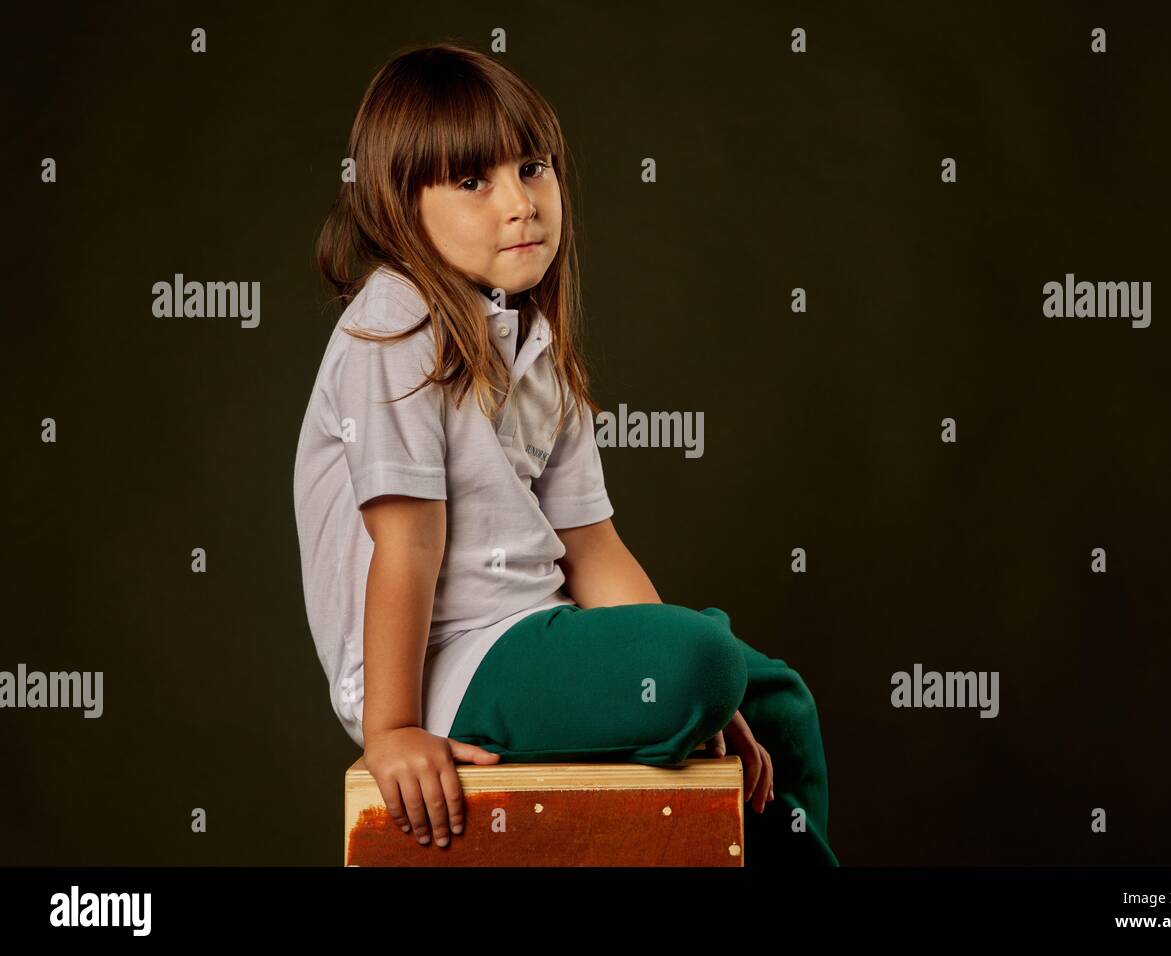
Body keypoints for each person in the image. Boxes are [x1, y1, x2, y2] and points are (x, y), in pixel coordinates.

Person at [292, 43, 838, 866]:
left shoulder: (539, 347)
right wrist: (392, 729)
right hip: (452, 671)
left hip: (542, 633)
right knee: (706, 661)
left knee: (778, 703)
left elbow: (593, 548)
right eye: (474, 181)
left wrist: (694, 685)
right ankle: (696, 665)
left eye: (533, 169)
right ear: (401, 203)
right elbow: (405, 542)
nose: (520, 205)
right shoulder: (394, 320)